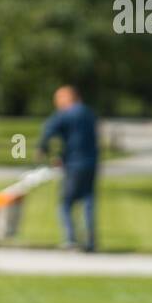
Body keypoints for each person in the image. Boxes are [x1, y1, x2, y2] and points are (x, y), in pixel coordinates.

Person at [37, 85, 99, 251]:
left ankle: (71, 239)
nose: (57, 103)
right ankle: (90, 241)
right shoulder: (88, 113)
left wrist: (43, 149)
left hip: (74, 164)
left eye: (58, 99)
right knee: (88, 201)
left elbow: (48, 129)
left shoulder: (66, 113)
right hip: (91, 162)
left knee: (65, 203)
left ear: (68, 98)